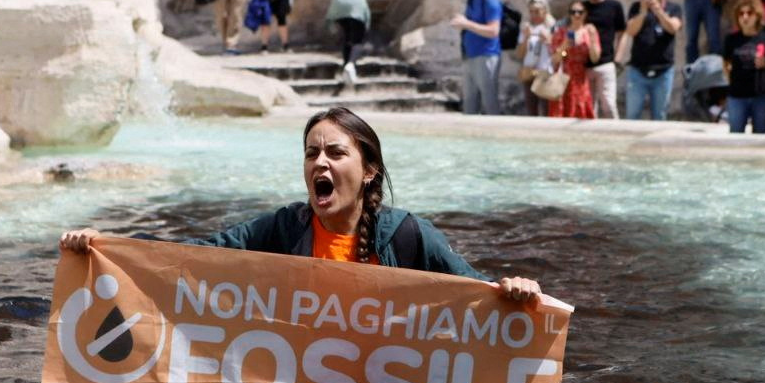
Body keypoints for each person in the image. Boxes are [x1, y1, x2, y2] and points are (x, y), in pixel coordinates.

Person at [59, 108, 545, 304]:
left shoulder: (409, 236)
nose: (320, 162)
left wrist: (515, 291)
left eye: (335, 152)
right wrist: (109, 248)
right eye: (311, 153)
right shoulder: (283, 228)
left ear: (369, 170)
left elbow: (479, 293)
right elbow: (191, 255)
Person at [624, 0, 684, 120]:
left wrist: (658, 11)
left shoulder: (674, 8)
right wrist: (643, 12)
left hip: (663, 72)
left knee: (660, 116)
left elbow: (673, 28)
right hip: (638, 70)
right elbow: (630, 31)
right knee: (632, 115)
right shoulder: (637, 7)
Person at [450, 0, 504, 116]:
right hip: (470, 56)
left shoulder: (491, 1)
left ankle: (495, 129)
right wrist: (463, 25)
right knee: (469, 103)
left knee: (489, 102)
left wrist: (466, 24)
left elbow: (494, 31)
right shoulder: (472, 0)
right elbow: (473, 25)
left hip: (486, 56)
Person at [721, 0, 765, 133]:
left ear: (757, 15)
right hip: (737, 95)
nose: (745, 17)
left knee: (760, 135)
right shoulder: (731, 40)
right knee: (736, 135)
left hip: (760, 95)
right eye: (741, 13)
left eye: (749, 13)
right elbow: (726, 64)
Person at [583, 0, 626, 118]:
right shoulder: (581, 9)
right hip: (585, 65)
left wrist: (618, 59)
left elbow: (622, 33)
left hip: (606, 63)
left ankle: (615, 131)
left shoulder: (614, 6)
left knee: (608, 105)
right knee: (588, 107)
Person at [549, 2, 601, 119]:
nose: (576, 15)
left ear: (585, 14)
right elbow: (556, 59)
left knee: (580, 111)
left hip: (581, 79)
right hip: (563, 77)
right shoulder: (561, 32)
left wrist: (593, 39)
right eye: (573, 12)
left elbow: (594, 58)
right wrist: (564, 47)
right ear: (569, 14)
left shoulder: (589, 32)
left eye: (580, 12)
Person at [516, 0, 555, 116]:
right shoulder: (526, 28)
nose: (534, 15)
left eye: (537, 11)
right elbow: (519, 54)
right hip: (530, 72)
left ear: (544, 11)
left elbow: (563, 53)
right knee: (531, 110)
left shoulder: (553, 27)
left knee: (547, 110)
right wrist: (526, 38)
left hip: (545, 73)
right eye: (531, 11)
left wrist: (549, 41)